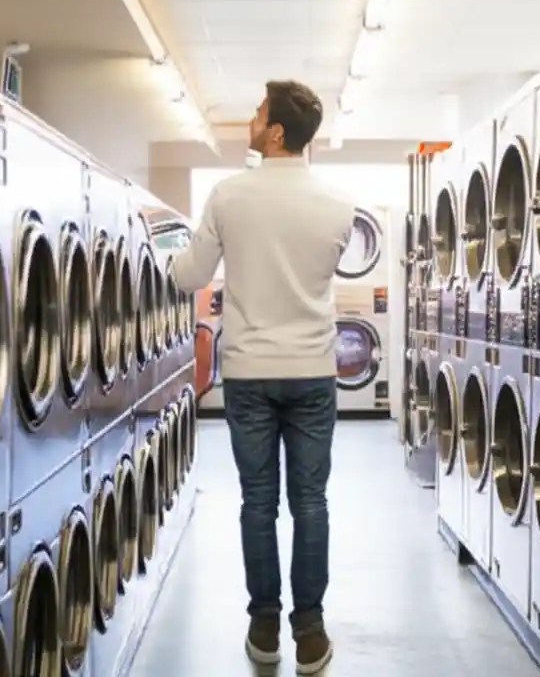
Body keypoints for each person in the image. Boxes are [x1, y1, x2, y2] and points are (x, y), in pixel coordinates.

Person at [169, 80, 354, 675]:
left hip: (249, 373)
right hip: (311, 373)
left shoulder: (228, 196)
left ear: (275, 131)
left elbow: (189, 276)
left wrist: (159, 254)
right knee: (310, 502)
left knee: (257, 502)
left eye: (257, 113)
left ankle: (264, 626)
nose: (249, 119)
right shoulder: (338, 206)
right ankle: (311, 632)